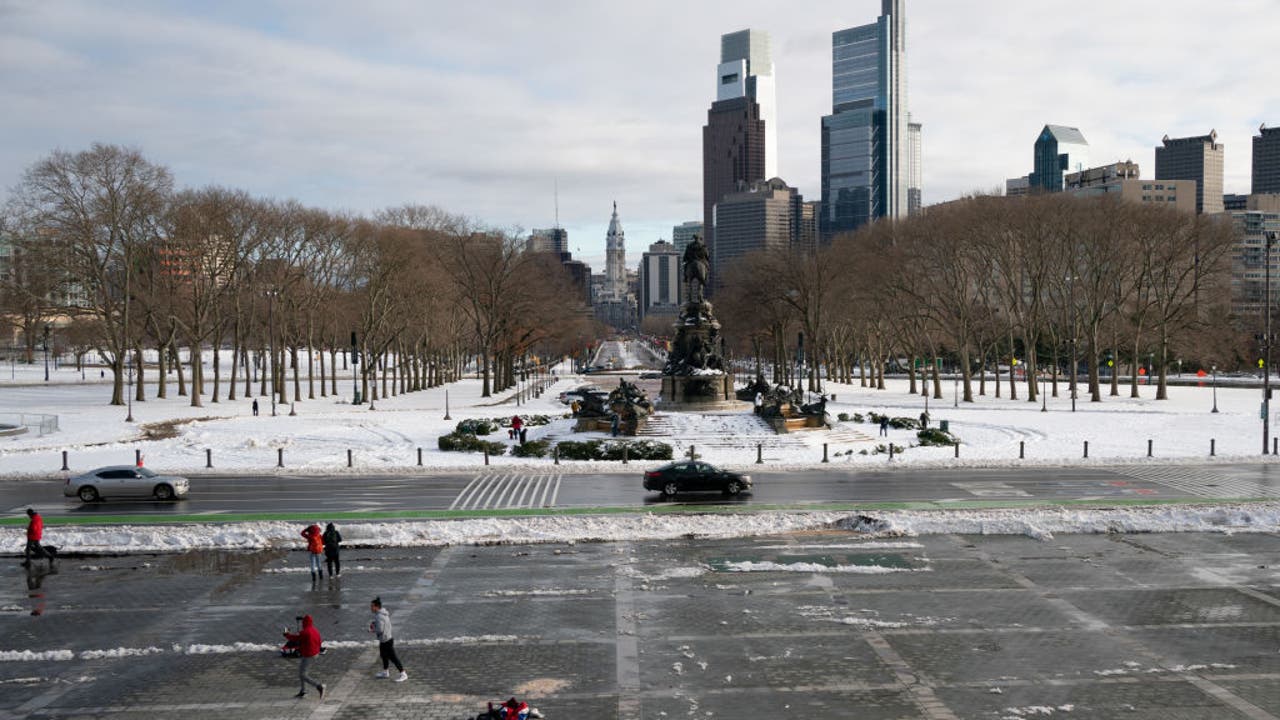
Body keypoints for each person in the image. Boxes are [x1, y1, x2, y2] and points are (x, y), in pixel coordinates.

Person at [283, 614, 325, 700]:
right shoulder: (315, 630)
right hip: (313, 654)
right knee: (301, 672)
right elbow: (319, 642)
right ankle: (303, 691)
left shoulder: (305, 632)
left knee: (303, 675)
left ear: (304, 622)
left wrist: (286, 634)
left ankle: (319, 686)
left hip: (308, 655)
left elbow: (295, 638)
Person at [369, 596, 407, 681]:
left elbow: (380, 629)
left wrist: (372, 630)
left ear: (376, 607)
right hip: (385, 639)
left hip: (386, 640)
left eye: (372, 606)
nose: (371, 608)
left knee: (393, 657)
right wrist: (374, 623)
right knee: (383, 656)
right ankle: (385, 672)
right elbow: (383, 625)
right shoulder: (382, 613)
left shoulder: (379, 616)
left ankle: (403, 673)